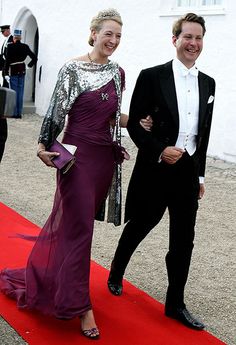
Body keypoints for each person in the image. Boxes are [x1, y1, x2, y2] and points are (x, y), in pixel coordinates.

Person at [0, 8, 151, 340]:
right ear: (94, 32)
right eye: (108, 33)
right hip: (75, 160)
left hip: (102, 162)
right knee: (80, 229)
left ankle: (59, 281)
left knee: (75, 229)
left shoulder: (118, 73)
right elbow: (56, 110)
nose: (113, 41)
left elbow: (111, 117)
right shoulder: (73, 69)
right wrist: (42, 146)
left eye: (118, 36)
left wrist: (137, 121)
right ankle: (81, 307)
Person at [107, 13, 216, 331]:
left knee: (184, 240)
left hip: (188, 169)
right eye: (187, 37)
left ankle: (175, 304)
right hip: (156, 168)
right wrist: (159, 149)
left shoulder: (208, 83)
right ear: (175, 40)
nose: (193, 43)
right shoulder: (152, 76)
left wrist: (200, 176)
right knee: (141, 224)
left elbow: (203, 135)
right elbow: (138, 129)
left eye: (198, 38)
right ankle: (116, 269)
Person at [3, 29, 37, 118]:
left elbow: (7, 61)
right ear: (20, 37)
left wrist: (5, 73)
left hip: (13, 70)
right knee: (20, 92)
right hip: (22, 70)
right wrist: (29, 65)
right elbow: (34, 57)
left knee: (14, 92)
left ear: (14, 38)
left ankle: (14, 113)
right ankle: (19, 113)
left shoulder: (10, 47)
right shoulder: (25, 46)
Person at [0, 25, 13, 162]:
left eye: (4, 31)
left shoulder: (11, 41)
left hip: (13, 69)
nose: (3, 34)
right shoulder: (7, 41)